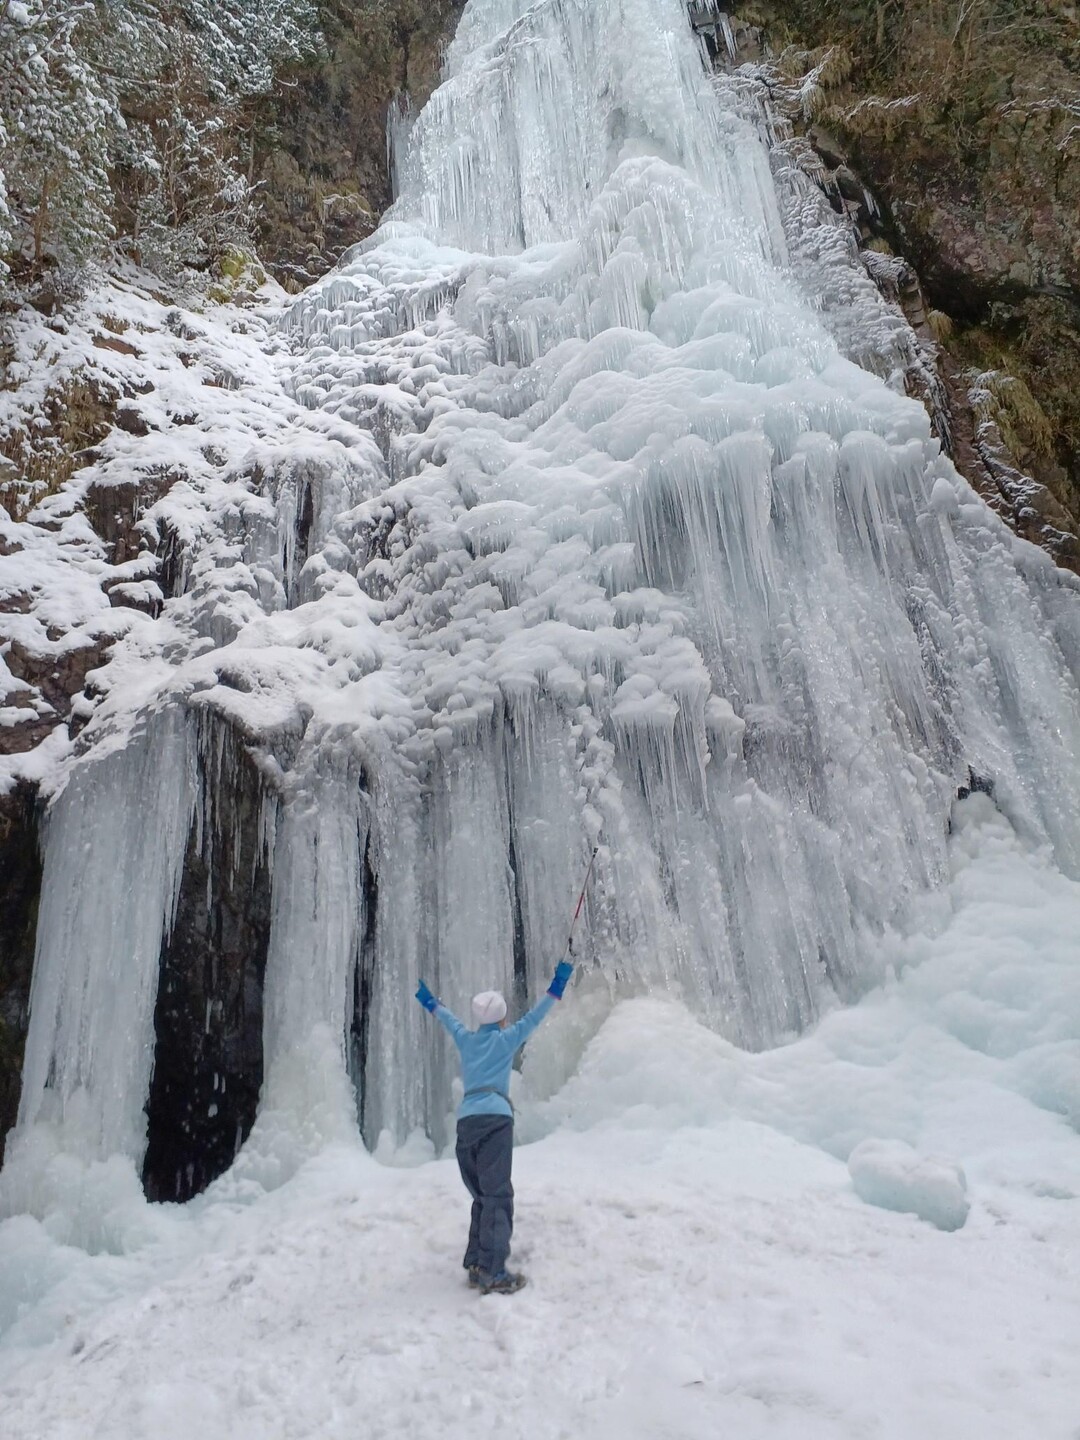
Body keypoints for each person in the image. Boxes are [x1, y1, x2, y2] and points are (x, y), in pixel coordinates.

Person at [415, 959, 574, 1295]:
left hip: (466, 1122)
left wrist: (428, 1000)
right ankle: (494, 1271)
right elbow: (536, 1016)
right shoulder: (507, 1039)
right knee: (498, 1195)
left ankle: (476, 1261)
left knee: (481, 1196)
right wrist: (557, 986)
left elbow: (446, 1018)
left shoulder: (467, 1039)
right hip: (496, 1120)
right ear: (502, 1018)